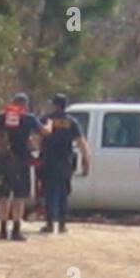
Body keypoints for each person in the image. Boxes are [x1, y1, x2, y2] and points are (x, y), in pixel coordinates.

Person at [0, 92, 44, 242]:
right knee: (19, 196)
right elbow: (44, 132)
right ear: (25, 105)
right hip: (21, 160)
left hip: (3, 160)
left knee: (3, 195)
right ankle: (15, 230)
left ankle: (2, 230)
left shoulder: (0, 118)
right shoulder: (29, 119)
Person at [37, 93, 91, 234]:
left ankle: (49, 224)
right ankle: (62, 224)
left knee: (49, 192)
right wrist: (86, 160)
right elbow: (81, 143)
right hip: (65, 162)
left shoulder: (46, 119)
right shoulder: (71, 122)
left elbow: (36, 138)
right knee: (63, 193)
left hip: (48, 161)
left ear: (54, 105)